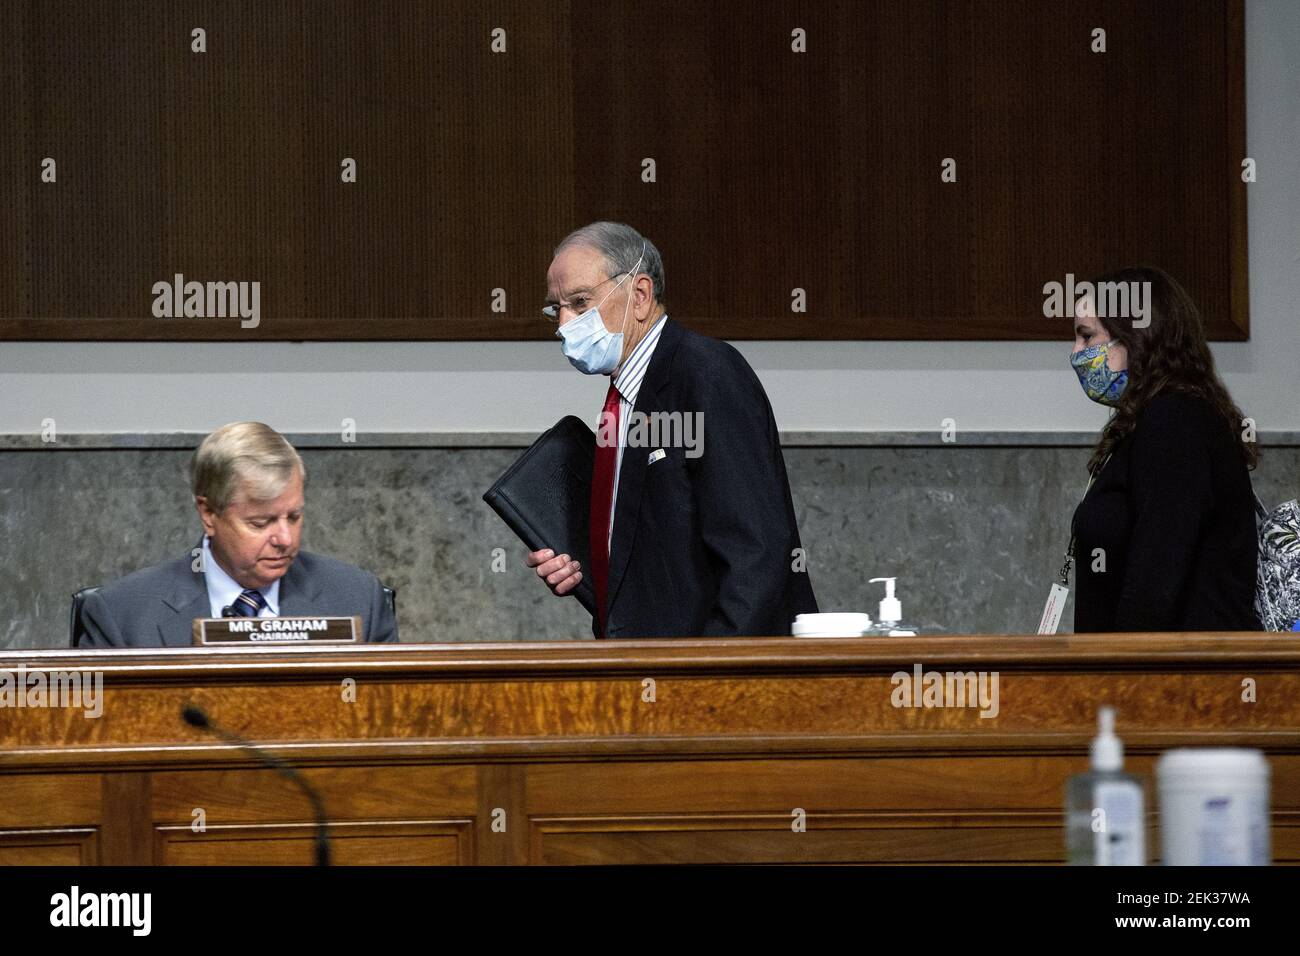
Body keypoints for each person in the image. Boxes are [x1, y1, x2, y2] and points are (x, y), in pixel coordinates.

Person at [526, 221, 817, 638]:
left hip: (707, 677)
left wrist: (705, 672)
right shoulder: (626, 396)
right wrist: (582, 565)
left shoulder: (707, 374)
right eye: (557, 308)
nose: (563, 323)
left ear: (640, 296)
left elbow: (757, 551)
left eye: (579, 302)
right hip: (644, 666)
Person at [81, 422, 398, 646]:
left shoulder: (357, 599)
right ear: (208, 514)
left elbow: (393, 728)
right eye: (261, 523)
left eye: (294, 516)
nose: (285, 539)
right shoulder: (122, 616)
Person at [1068, 267, 1259, 632]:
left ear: (1136, 336)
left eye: (1086, 336)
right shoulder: (1153, 420)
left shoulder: (1175, 421)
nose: (1075, 353)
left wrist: (1120, 680)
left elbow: (1154, 584)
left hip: (1178, 681)